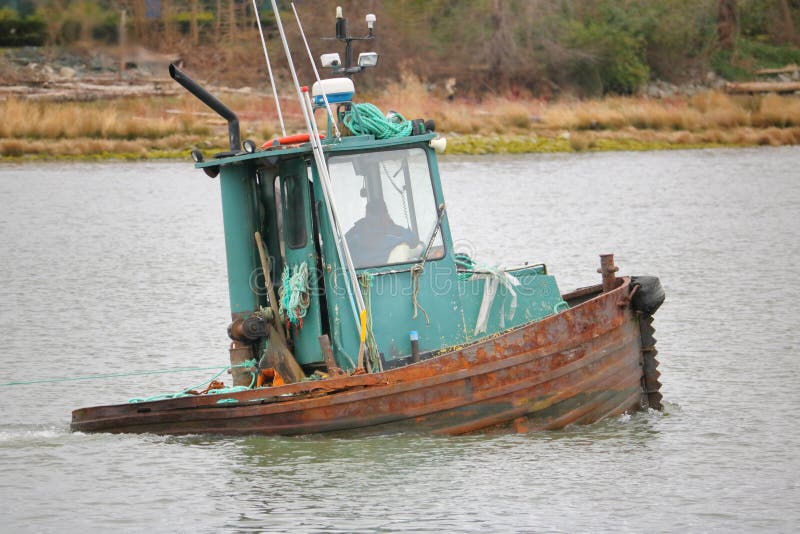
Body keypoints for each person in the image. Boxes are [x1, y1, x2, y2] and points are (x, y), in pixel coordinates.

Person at [345, 199, 421, 267]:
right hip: (368, 276)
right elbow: (414, 241)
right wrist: (393, 227)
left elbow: (414, 241)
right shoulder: (395, 234)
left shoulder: (353, 233)